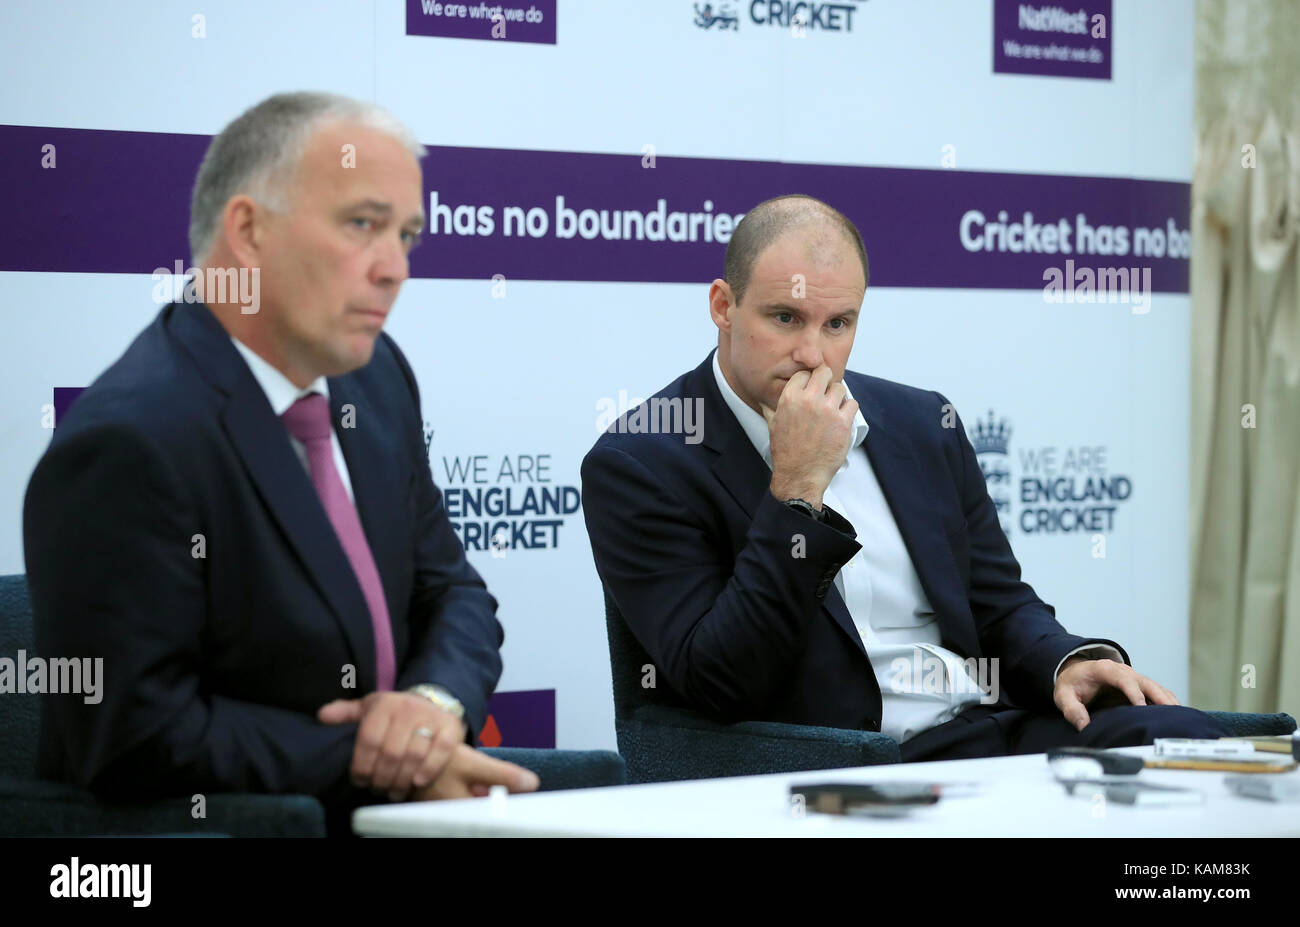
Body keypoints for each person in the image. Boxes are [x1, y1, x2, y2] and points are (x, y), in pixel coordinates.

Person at [23, 92, 537, 832]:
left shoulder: (376, 375)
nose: (394, 267)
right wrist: (365, 749)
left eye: (407, 235)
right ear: (249, 229)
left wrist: (429, 709)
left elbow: (452, 592)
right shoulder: (131, 442)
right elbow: (135, 736)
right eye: (363, 224)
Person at [581, 194, 1226, 762]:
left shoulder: (922, 423)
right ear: (723, 306)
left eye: (838, 324)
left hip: (982, 730)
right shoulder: (642, 463)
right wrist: (798, 490)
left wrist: (1066, 662)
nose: (813, 354)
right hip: (840, 762)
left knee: (1182, 743)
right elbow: (721, 681)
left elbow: (997, 603)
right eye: (785, 318)